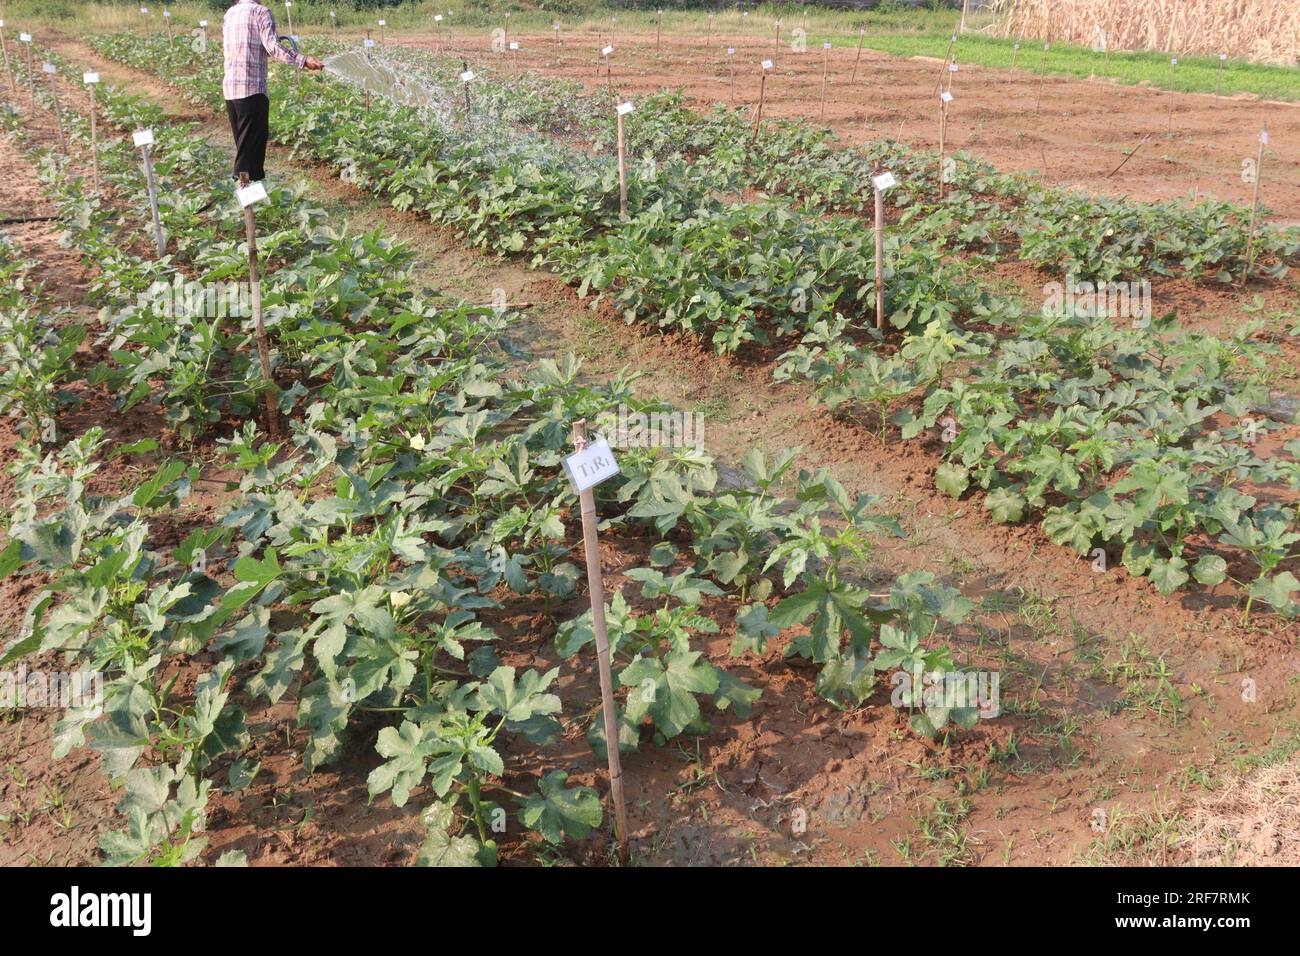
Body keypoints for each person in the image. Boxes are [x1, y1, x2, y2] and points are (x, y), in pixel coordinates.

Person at [222, 0, 324, 183]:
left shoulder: (230, 14)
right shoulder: (260, 12)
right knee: (247, 159)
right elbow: (272, 47)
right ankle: (243, 202)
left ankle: (256, 200)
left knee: (248, 151)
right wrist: (303, 60)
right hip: (252, 90)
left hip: (231, 89)